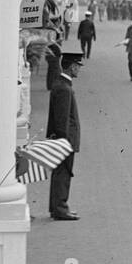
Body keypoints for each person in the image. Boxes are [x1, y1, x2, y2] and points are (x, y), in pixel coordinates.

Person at [47, 48, 84, 219]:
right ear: (70, 67)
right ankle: (60, 208)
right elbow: (62, 120)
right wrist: (64, 142)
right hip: (65, 140)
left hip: (62, 138)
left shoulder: (62, 85)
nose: (78, 69)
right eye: (77, 65)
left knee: (60, 173)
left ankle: (57, 207)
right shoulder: (64, 88)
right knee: (64, 173)